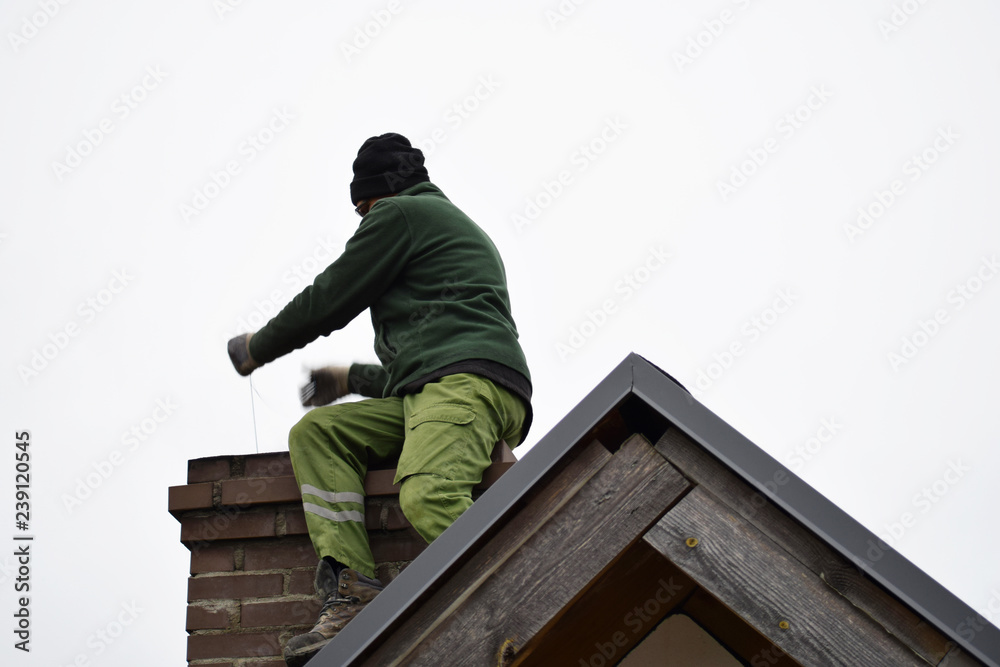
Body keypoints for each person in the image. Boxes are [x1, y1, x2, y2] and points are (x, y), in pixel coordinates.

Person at [226, 133, 532, 667]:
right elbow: (421, 364)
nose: (361, 219)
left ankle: (529, 601)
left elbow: (330, 297)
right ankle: (353, 588)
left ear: (379, 195)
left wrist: (258, 347)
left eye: (361, 206)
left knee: (428, 494)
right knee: (319, 433)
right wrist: (350, 378)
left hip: (468, 387)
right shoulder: (435, 230)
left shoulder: (401, 215)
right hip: (443, 387)